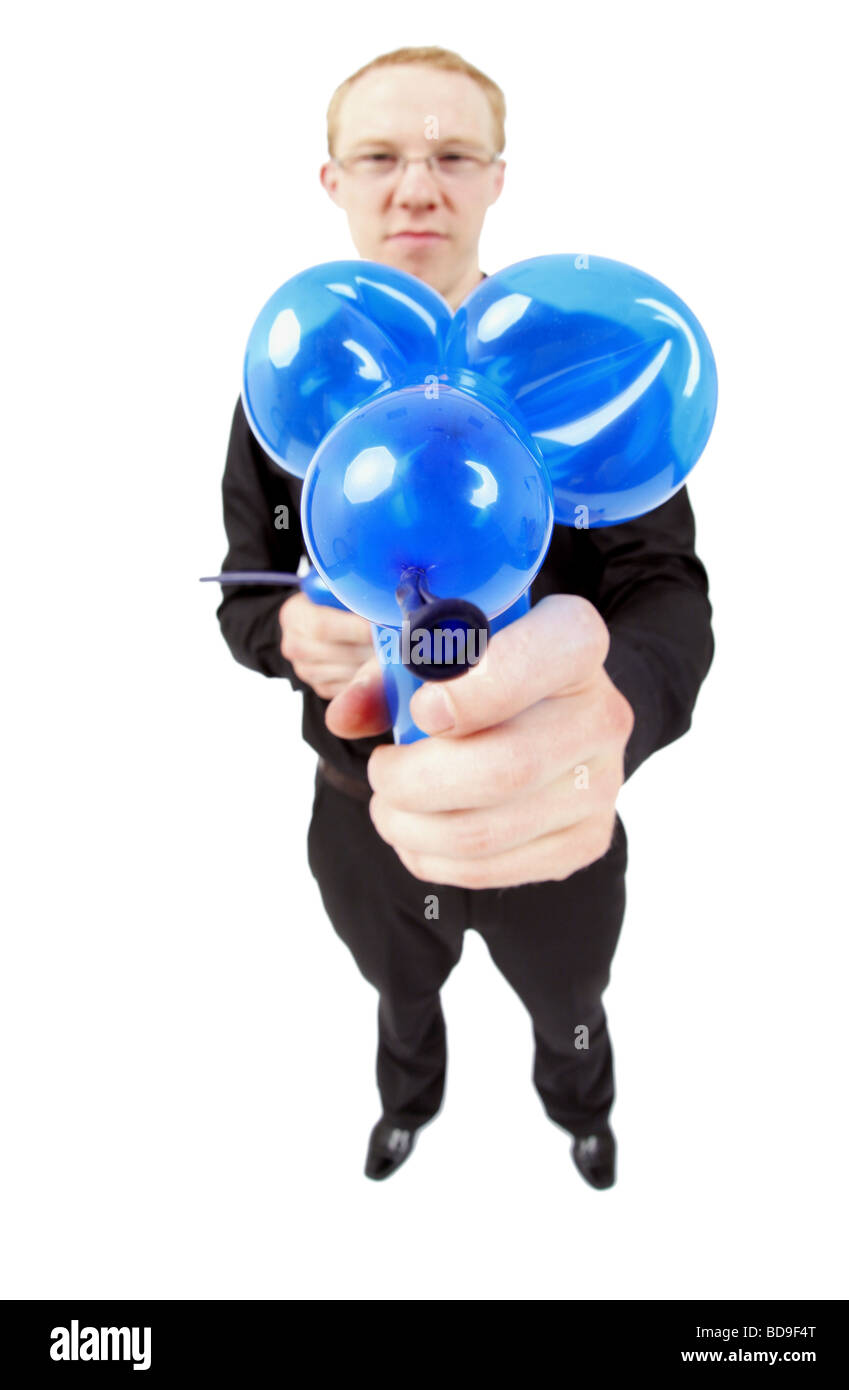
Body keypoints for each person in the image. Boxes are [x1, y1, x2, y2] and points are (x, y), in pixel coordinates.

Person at [215, 46, 714, 1188]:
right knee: (394, 987)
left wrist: (614, 710)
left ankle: (579, 1106)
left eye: (450, 154)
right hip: (363, 807)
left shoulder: (580, 377)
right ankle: (409, 1097)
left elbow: (668, 595)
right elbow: (243, 586)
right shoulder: (287, 384)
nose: (416, 185)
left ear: (496, 178)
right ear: (331, 182)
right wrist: (285, 628)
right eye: (381, 155)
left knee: (571, 997)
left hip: (554, 807)